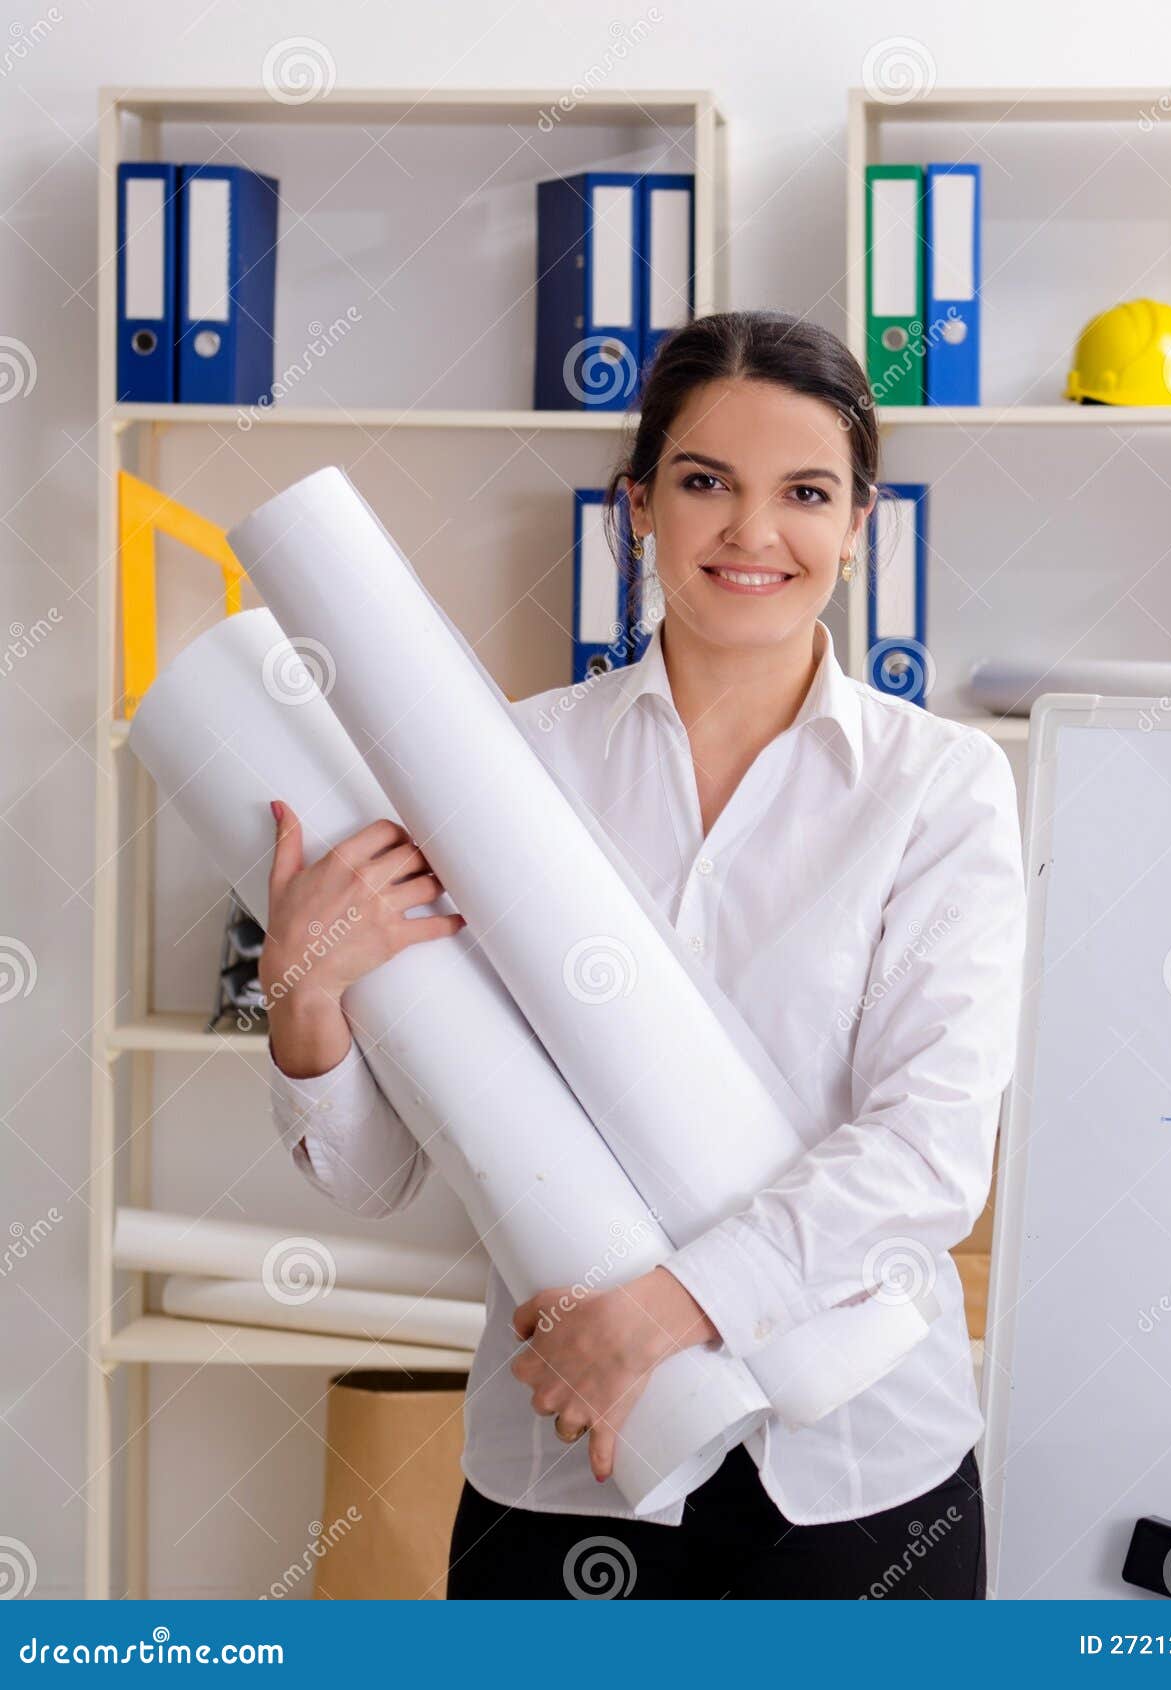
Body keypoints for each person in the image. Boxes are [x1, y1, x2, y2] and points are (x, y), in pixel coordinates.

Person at [262, 309, 1026, 1600]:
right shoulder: (504, 767)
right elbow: (386, 1164)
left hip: (855, 1478)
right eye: (704, 482)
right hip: (566, 1478)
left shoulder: (937, 786)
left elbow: (928, 1151)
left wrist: (658, 1313)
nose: (751, 532)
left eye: (805, 492)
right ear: (637, 506)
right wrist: (305, 998)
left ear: (861, 524)